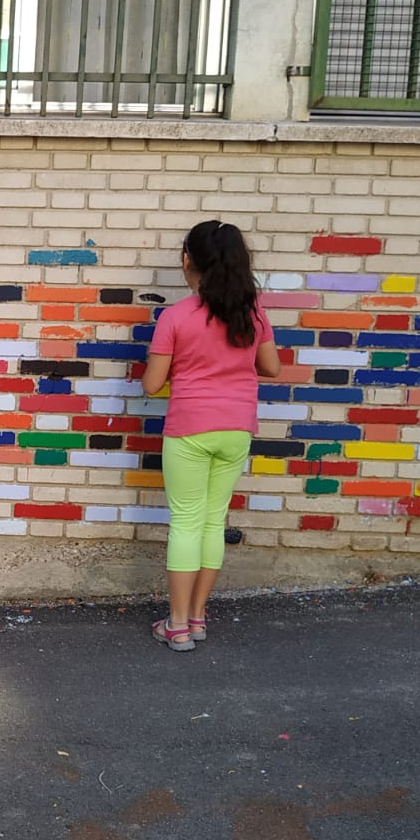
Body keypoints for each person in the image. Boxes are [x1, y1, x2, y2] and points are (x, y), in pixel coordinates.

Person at [140, 219, 282, 652]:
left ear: (188, 261)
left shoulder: (176, 317)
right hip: (237, 428)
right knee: (211, 520)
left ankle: (177, 625)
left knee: (185, 521)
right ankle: (198, 618)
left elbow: (151, 384)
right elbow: (272, 368)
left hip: (190, 429)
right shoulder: (252, 313)